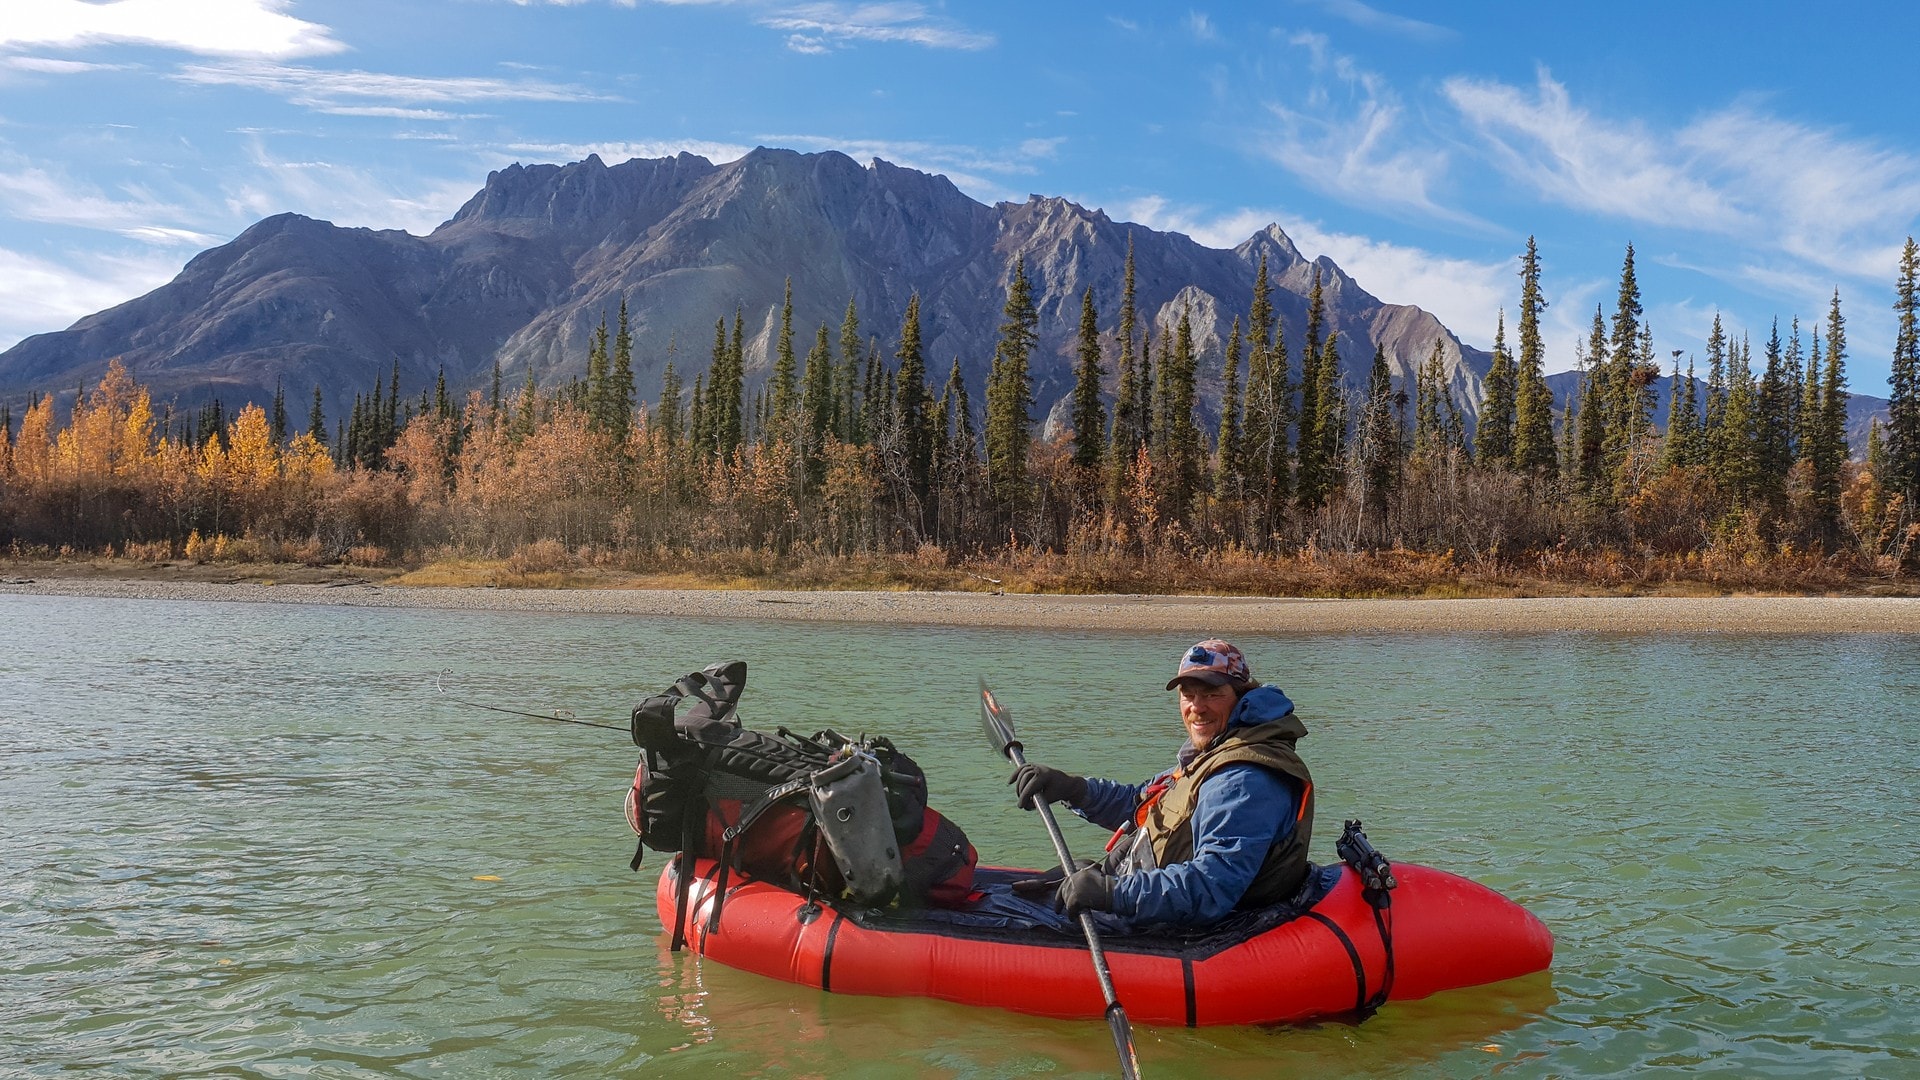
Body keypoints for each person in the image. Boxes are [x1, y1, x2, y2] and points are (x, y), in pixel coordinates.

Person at [1009, 639, 1314, 930]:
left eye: (1211, 694)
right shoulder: (1214, 752)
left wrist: (1112, 894)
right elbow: (1141, 804)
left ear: (1241, 698)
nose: (1197, 707)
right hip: (1153, 892)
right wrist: (1073, 789)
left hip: (1194, 929)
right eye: (1188, 694)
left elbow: (1211, 887)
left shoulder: (1243, 780)